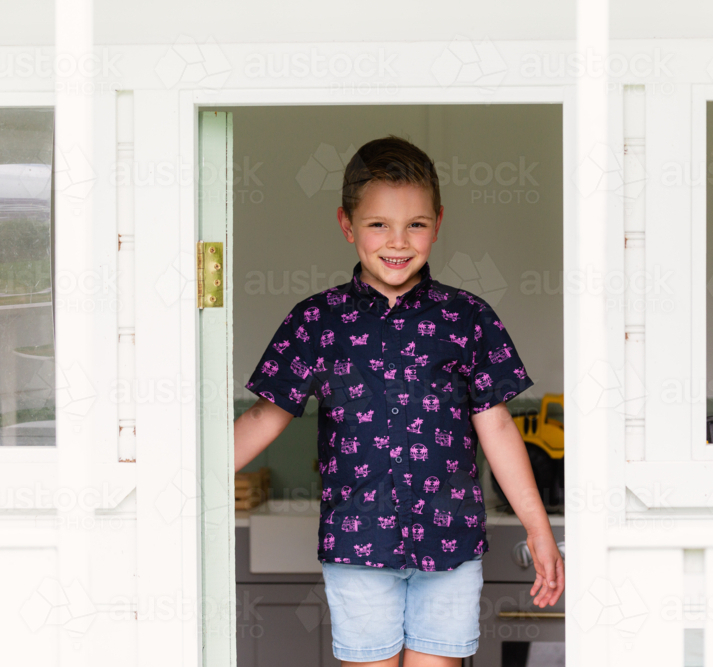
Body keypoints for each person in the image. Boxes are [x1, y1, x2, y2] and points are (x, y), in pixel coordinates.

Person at [234, 135, 564, 667]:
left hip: (451, 547)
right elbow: (263, 416)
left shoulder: (467, 318)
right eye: (378, 224)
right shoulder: (317, 321)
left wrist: (538, 528)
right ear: (346, 225)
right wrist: (183, 490)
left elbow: (498, 429)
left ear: (438, 221)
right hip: (358, 545)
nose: (399, 240)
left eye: (416, 223)